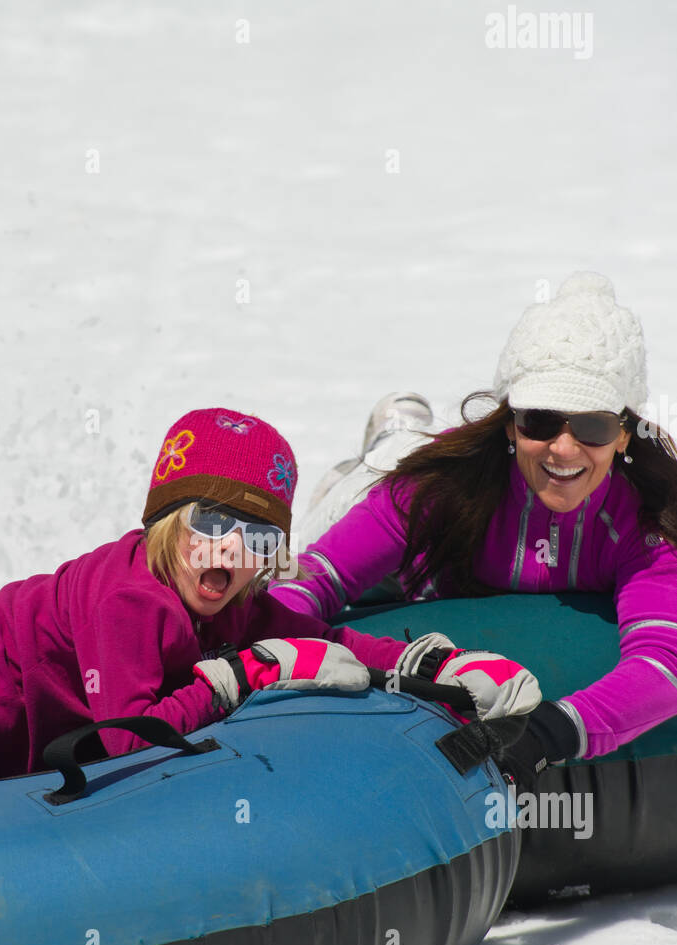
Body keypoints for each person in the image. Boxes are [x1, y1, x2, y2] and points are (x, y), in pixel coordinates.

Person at [0, 407, 540, 779]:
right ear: (168, 523)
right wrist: (236, 677)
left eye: (256, 538)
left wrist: (446, 667)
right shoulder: (132, 601)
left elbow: (332, 643)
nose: (227, 550)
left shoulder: (239, 603)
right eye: (212, 523)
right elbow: (118, 745)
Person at [270, 273, 677, 778]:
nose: (565, 449)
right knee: (359, 486)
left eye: (593, 425)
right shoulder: (438, 490)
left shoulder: (646, 521)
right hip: (404, 562)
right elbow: (314, 578)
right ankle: (388, 439)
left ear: (622, 435)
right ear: (510, 423)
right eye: (541, 420)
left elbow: (664, 664)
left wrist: (554, 730)